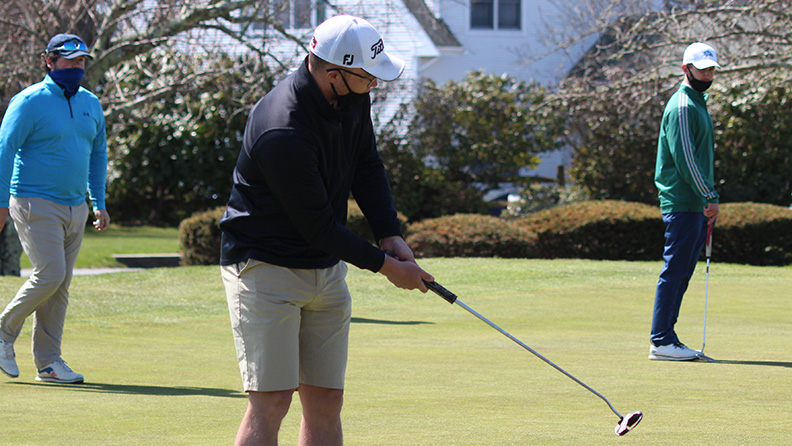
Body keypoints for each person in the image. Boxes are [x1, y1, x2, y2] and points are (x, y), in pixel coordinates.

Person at [219, 15, 433, 446]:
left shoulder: (351, 97)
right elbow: (318, 226)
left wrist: (389, 233)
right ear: (334, 74)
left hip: (325, 269)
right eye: (368, 77)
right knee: (272, 401)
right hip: (265, 269)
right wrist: (387, 267)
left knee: (326, 399)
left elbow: (366, 165)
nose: (375, 84)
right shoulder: (282, 128)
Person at [0, 33, 111, 382]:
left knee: (59, 286)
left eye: (81, 62)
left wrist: (98, 202)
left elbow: (98, 154)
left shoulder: (91, 103)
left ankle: (49, 363)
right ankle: (3, 332)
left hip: (76, 205)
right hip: (34, 200)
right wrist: (0, 203)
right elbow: (4, 150)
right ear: (50, 61)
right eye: (69, 60)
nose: (76, 67)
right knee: (50, 274)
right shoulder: (29, 101)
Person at [650, 42, 720, 361]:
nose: (707, 74)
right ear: (685, 69)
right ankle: (661, 340)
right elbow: (686, 159)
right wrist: (709, 195)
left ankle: (667, 338)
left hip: (693, 204)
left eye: (711, 69)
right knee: (675, 270)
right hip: (682, 200)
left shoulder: (697, 103)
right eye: (701, 69)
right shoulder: (682, 106)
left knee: (682, 272)